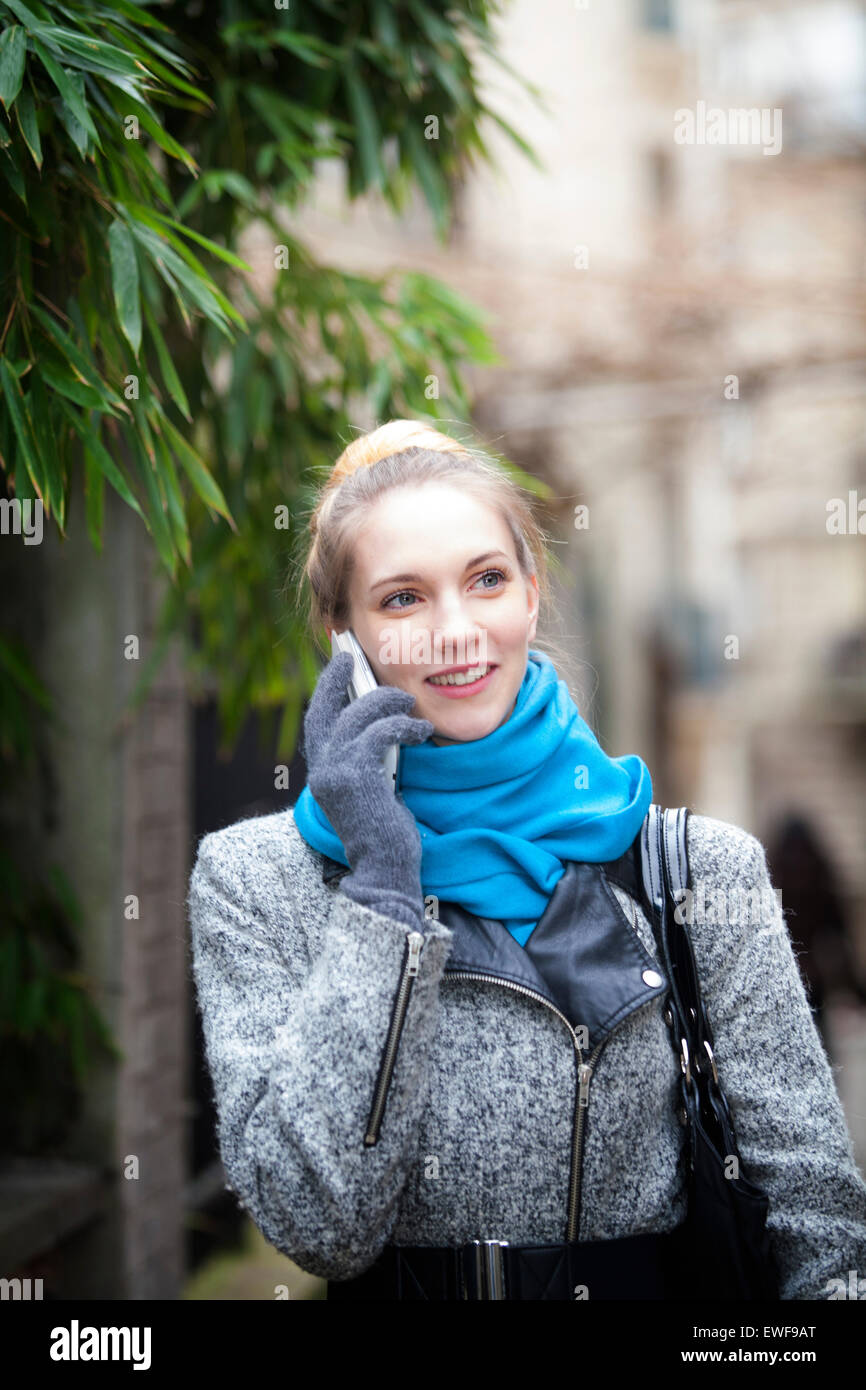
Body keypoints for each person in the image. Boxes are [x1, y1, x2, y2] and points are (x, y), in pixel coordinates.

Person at [187, 419, 866, 1301]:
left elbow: (819, 1233)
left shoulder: (700, 871)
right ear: (341, 635)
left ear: (533, 595)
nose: (456, 631)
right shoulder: (254, 880)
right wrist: (382, 888)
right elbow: (320, 1226)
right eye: (402, 599)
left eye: (486, 580)